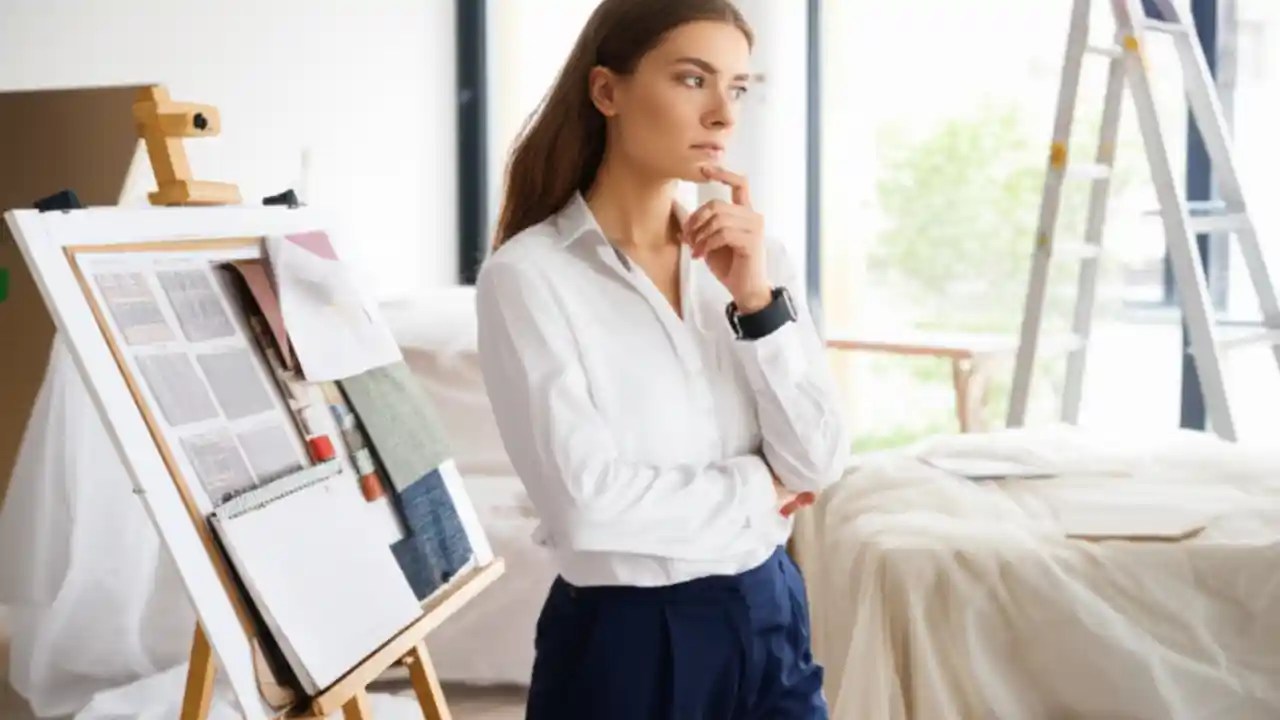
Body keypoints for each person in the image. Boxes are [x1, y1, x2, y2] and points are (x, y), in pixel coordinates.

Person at [475, 0, 849, 717]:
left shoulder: (757, 262)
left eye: (737, 87)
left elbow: (820, 459)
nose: (723, 115)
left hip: (771, 610)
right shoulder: (530, 278)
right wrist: (757, 489)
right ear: (607, 92)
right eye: (691, 79)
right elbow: (586, 508)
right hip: (630, 642)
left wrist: (757, 305)